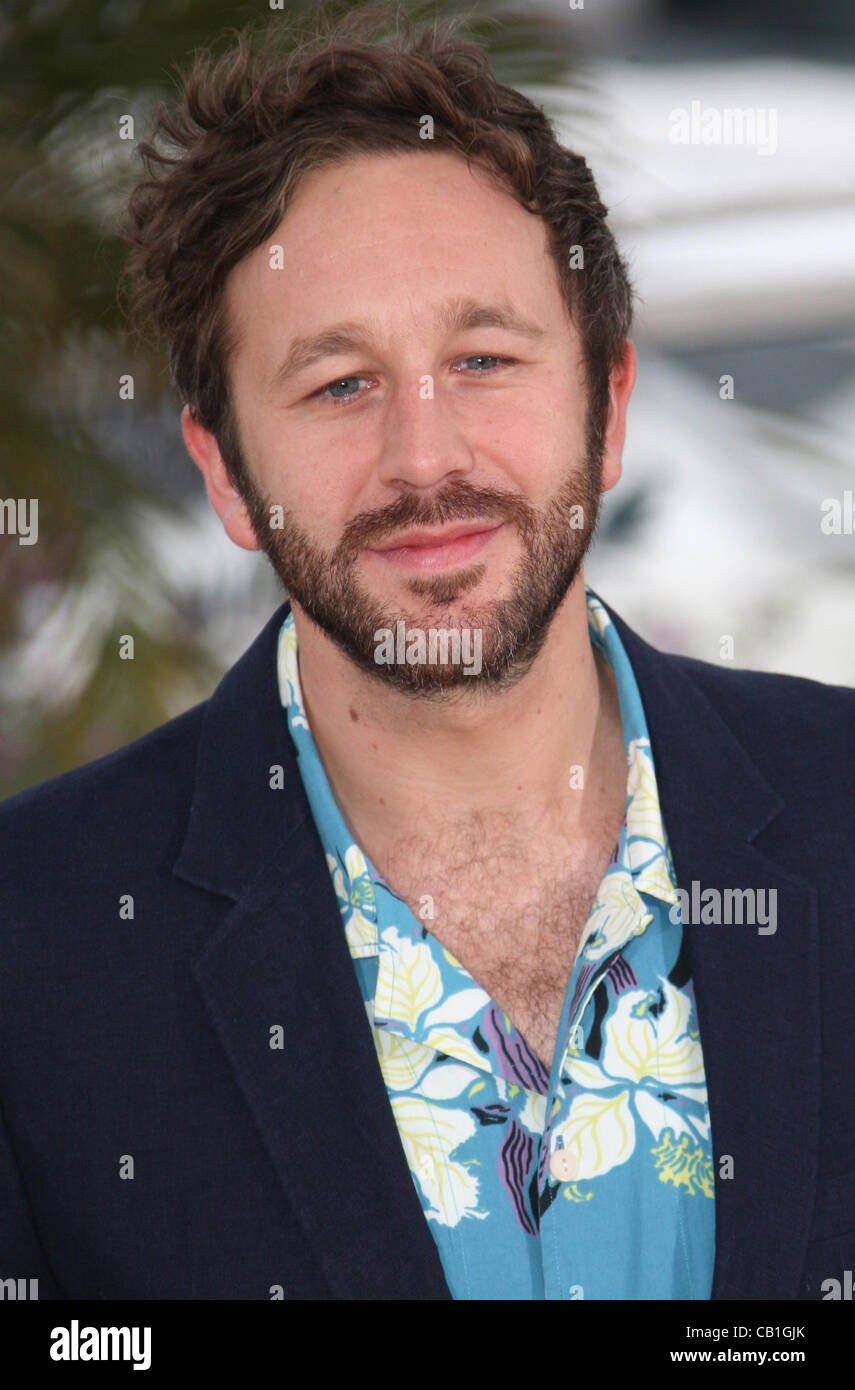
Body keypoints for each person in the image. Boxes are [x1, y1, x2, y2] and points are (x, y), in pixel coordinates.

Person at [1, 4, 852, 1302]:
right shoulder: (34, 943)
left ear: (607, 406)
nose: (425, 457)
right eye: (339, 383)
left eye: (484, 357)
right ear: (226, 471)